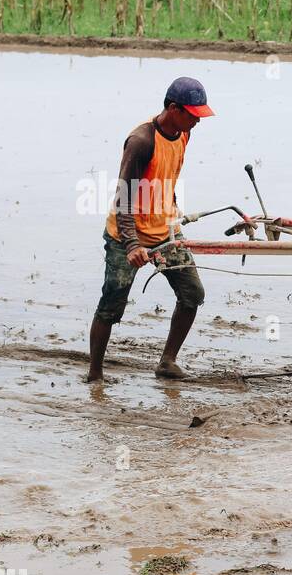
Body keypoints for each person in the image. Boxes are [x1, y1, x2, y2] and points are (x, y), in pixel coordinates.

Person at [87, 76, 214, 382]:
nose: (197, 121)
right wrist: (132, 245)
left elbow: (167, 175)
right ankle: (95, 373)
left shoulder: (183, 134)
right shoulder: (141, 141)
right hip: (126, 235)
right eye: (193, 115)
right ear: (173, 108)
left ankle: (167, 362)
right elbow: (123, 198)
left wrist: (170, 209)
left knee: (192, 294)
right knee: (111, 305)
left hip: (165, 231)